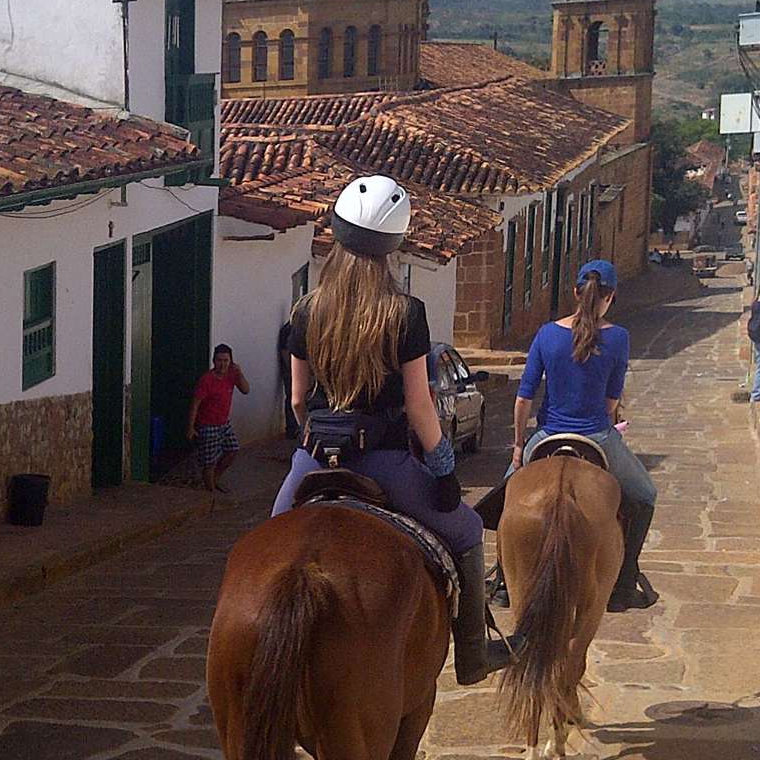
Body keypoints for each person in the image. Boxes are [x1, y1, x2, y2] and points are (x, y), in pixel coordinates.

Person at [273, 176, 513, 684]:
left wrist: (315, 443)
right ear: (391, 248)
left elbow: (297, 400)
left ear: (336, 235)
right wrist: (444, 468)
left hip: (315, 459)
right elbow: (420, 407)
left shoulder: (305, 311)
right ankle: (473, 656)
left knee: (266, 547)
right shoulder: (405, 313)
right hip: (384, 462)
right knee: (468, 533)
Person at [478, 259, 659, 612]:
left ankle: (502, 579)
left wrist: (518, 446)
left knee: (506, 501)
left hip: (546, 435)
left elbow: (523, 397)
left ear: (576, 292)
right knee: (646, 495)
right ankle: (623, 583)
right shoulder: (618, 338)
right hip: (597, 436)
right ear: (611, 297)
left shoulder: (547, 334)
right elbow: (611, 401)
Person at [188, 344, 249, 492]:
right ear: (214, 361)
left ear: (231, 361)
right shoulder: (206, 380)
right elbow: (195, 403)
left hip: (224, 423)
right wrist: (190, 427)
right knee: (209, 461)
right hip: (207, 425)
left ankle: (214, 479)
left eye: (226, 360)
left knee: (232, 450)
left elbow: (246, 390)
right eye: (219, 360)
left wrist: (239, 373)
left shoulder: (231, 376)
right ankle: (210, 490)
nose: (222, 364)